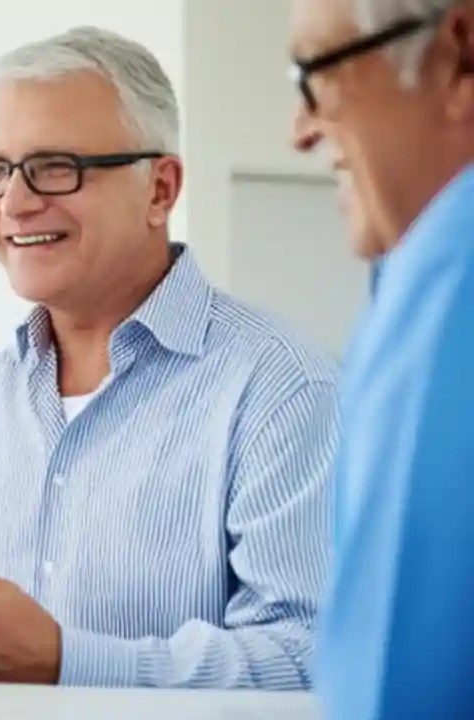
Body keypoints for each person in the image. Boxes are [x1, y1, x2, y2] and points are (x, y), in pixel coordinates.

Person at [0, 26, 339, 689]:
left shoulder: (281, 387)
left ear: (160, 189)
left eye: (56, 166)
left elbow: (308, 661)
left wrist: (64, 660)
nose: (15, 203)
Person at [288, 0, 474, 716]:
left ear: (458, 55)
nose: (299, 128)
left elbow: (395, 695)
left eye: (319, 72)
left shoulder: (445, 276)